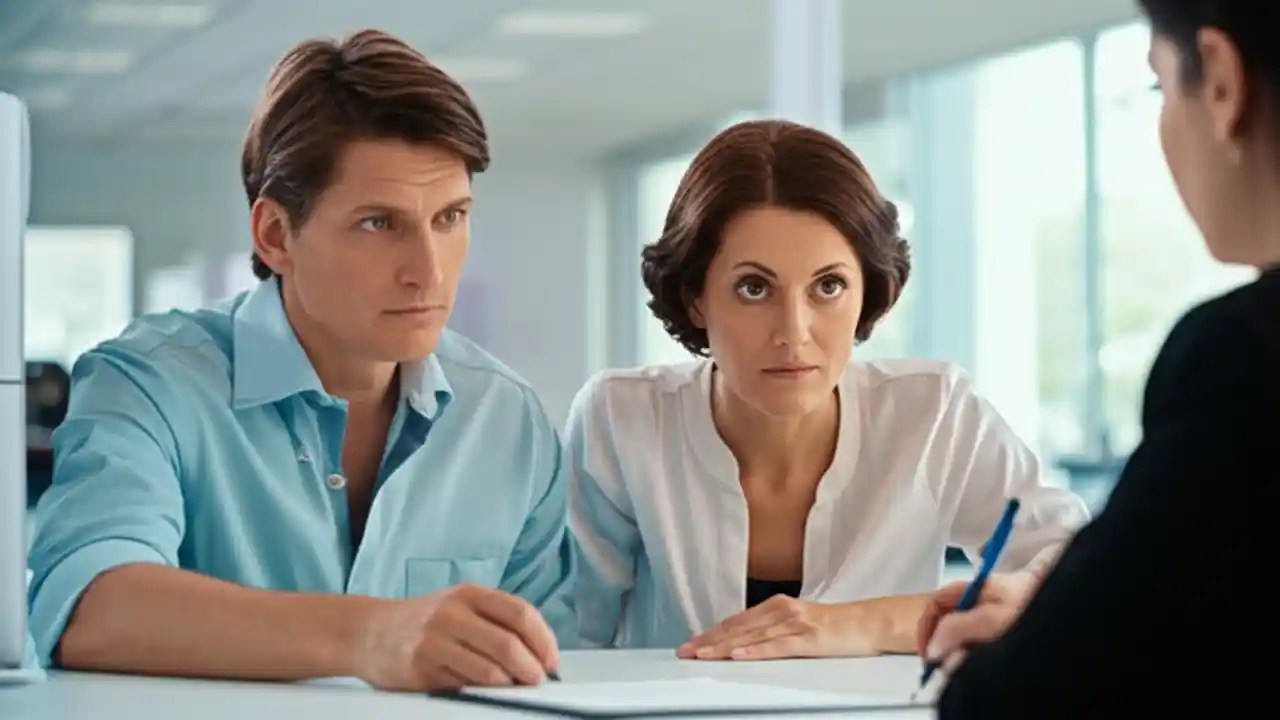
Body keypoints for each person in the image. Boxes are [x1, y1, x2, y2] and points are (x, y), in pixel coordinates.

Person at [25, 29, 574, 692]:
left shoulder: (508, 421)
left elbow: (552, 663)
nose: (428, 272)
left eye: (450, 218)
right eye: (380, 223)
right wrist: (371, 635)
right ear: (275, 235)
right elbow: (88, 608)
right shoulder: (146, 384)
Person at [566, 119, 1090, 659]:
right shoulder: (622, 417)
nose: (794, 332)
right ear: (696, 297)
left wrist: (871, 622)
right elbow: (565, 638)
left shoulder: (934, 413)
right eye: (754, 288)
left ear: (868, 292)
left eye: (829, 286)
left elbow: (1076, 572)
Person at [918, 0, 1279, 715]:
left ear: (1223, 84)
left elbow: (1018, 701)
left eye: (1159, 87)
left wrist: (1017, 650)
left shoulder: (1244, 359)